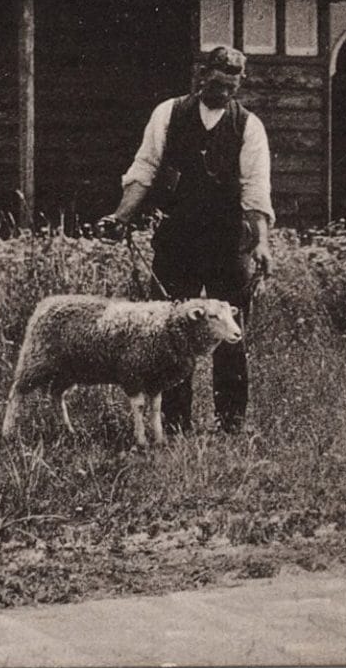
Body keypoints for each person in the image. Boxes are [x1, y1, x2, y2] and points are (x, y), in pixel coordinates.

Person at [97, 46, 273, 435]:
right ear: (201, 75)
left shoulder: (249, 126)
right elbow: (144, 169)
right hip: (177, 240)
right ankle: (174, 423)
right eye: (217, 83)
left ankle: (231, 423)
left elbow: (256, 189)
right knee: (173, 333)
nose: (224, 92)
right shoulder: (169, 113)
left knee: (231, 330)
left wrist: (261, 241)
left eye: (232, 86)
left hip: (228, 242)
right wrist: (121, 216)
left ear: (239, 84)